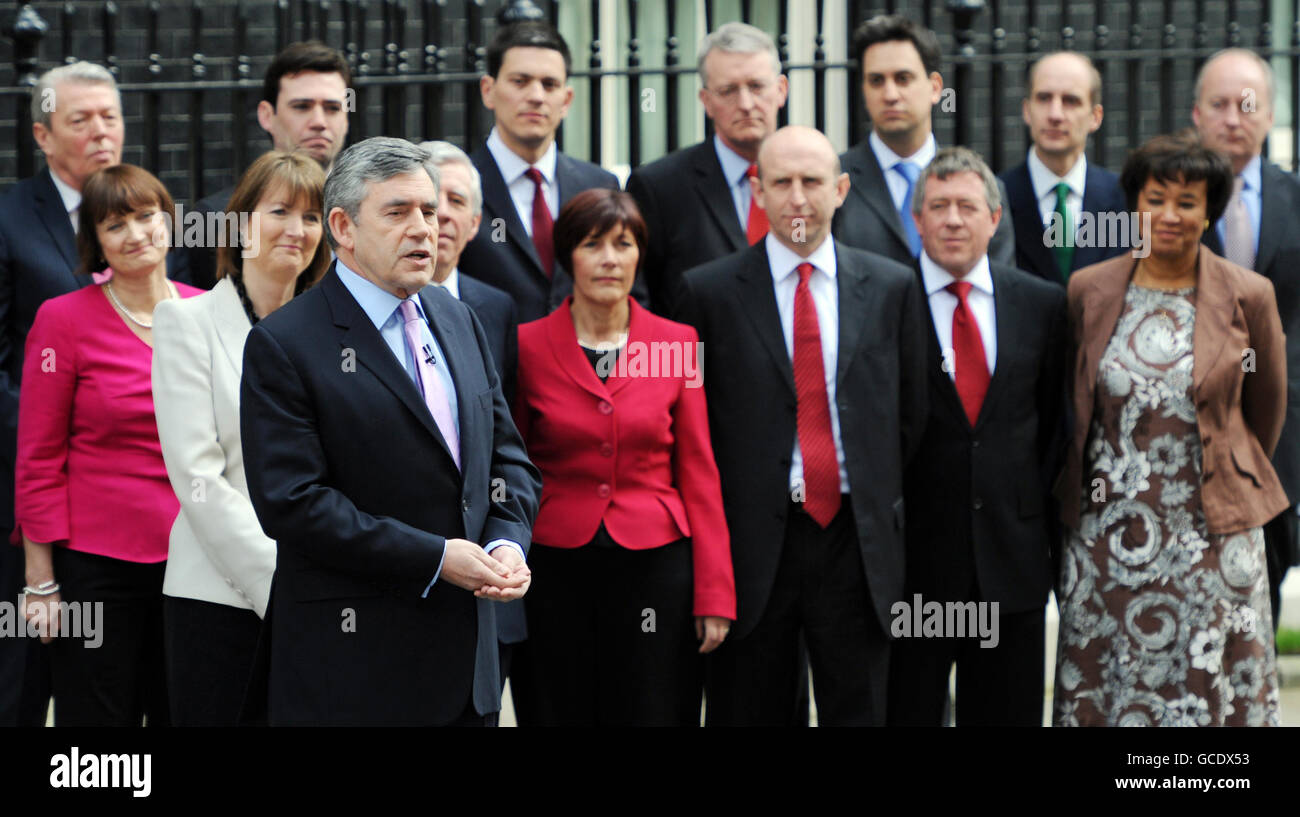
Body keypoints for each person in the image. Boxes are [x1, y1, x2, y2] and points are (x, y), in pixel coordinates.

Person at [239, 137, 541, 726]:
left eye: (429, 211)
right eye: (398, 213)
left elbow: (508, 459)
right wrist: (435, 557)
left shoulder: (459, 319)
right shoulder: (285, 343)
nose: (425, 229)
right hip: (353, 674)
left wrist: (507, 542)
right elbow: (293, 504)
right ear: (343, 227)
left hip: (467, 677)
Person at [675, 126, 928, 726]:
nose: (797, 197)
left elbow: (911, 415)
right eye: (781, 182)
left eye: (812, 181)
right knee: (750, 708)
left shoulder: (892, 286)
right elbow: (695, 427)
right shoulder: (707, 291)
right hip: (754, 543)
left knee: (859, 708)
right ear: (757, 191)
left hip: (856, 538)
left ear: (840, 189)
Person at [1054, 133, 1285, 726]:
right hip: (1108, 532)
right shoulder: (1090, 290)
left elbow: (1265, 412)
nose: (1169, 216)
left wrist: (1227, 472)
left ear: (1209, 212)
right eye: (1156, 198)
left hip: (1212, 533)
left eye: (1188, 202)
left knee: (1207, 681)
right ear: (1134, 205)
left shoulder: (1249, 295)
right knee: (1115, 675)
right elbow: (1077, 400)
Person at [514, 188, 735, 725]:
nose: (610, 259)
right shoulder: (526, 344)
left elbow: (700, 473)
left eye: (624, 243)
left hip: (656, 566)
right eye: (593, 244)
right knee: (558, 707)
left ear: (640, 254)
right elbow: (512, 467)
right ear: (569, 256)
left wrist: (715, 593)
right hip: (554, 566)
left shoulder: (679, 343)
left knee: (655, 708)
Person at [14, 164, 203, 726]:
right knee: (97, 728)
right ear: (95, 242)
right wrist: (40, 583)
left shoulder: (207, 311)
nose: (136, 234)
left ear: (168, 222)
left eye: (146, 216)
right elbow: (38, 455)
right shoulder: (63, 320)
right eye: (115, 224)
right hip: (95, 566)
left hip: (194, 560)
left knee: (184, 710)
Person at [887, 147, 1067, 727]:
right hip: (914, 570)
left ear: (994, 218)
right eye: (937, 206)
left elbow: (1054, 431)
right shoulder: (886, 301)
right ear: (917, 221)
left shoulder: (1041, 304)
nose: (953, 220)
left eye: (967, 206)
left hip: (1009, 565)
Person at [151, 151, 329, 726]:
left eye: (312, 216)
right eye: (280, 211)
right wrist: (278, 582)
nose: (297, 230)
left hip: (322, 600)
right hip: (218, 598)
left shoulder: (334, 336)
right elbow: (197, 477)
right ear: (240, 222)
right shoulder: (186, 322)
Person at [1192, 47, 1300, 632]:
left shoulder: (1296, 198)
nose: (1234, 117)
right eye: (1220, 104)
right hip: (1190, 426)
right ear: (1196, 115)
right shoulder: (1166, 204)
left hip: (1280, 433)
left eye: (1248, 104)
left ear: (1270, 112)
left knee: (1268, 571)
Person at [417, 139, 525, 699]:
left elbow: (506, 442)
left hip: (488, 584)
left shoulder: (496, 308)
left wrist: (508, 542)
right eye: (427, 201)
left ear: (477, 221)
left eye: (455, 201)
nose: (440, 217)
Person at [458, 21, 639, 323]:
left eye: (550, 84)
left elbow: (630, 292)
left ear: (566, 100)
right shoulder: (458, 186)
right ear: (488, 91)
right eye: (520, 81)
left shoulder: (600, 184)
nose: (537, 96)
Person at [627, 22, 789, 315]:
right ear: (706, 101)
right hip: (695, 358)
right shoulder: (659, 188)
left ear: (781, 90)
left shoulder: (815, 179)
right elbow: (639, 306)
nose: (745, 103)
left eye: (756, 86)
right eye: (728, 90)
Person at [832, 14, 1016, 266]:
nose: (890, 94)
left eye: (903, 79)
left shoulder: (985, 188)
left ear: (935, 88)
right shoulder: (833, 183)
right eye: (876, 81)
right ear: (864, 90)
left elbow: (997, 288)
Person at [182, 41, 351, 290]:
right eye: (302, 107)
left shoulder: (369, 213)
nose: (319, 122)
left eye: (332, 108)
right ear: (266, 116)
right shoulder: (215, 219)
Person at [999, 51, 1128, 283]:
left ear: (1095, 117)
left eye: (1071, 101)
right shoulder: (998, 195)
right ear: (1027, 110)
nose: (1055, 114)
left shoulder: (1126, 198)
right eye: (1044, 98)